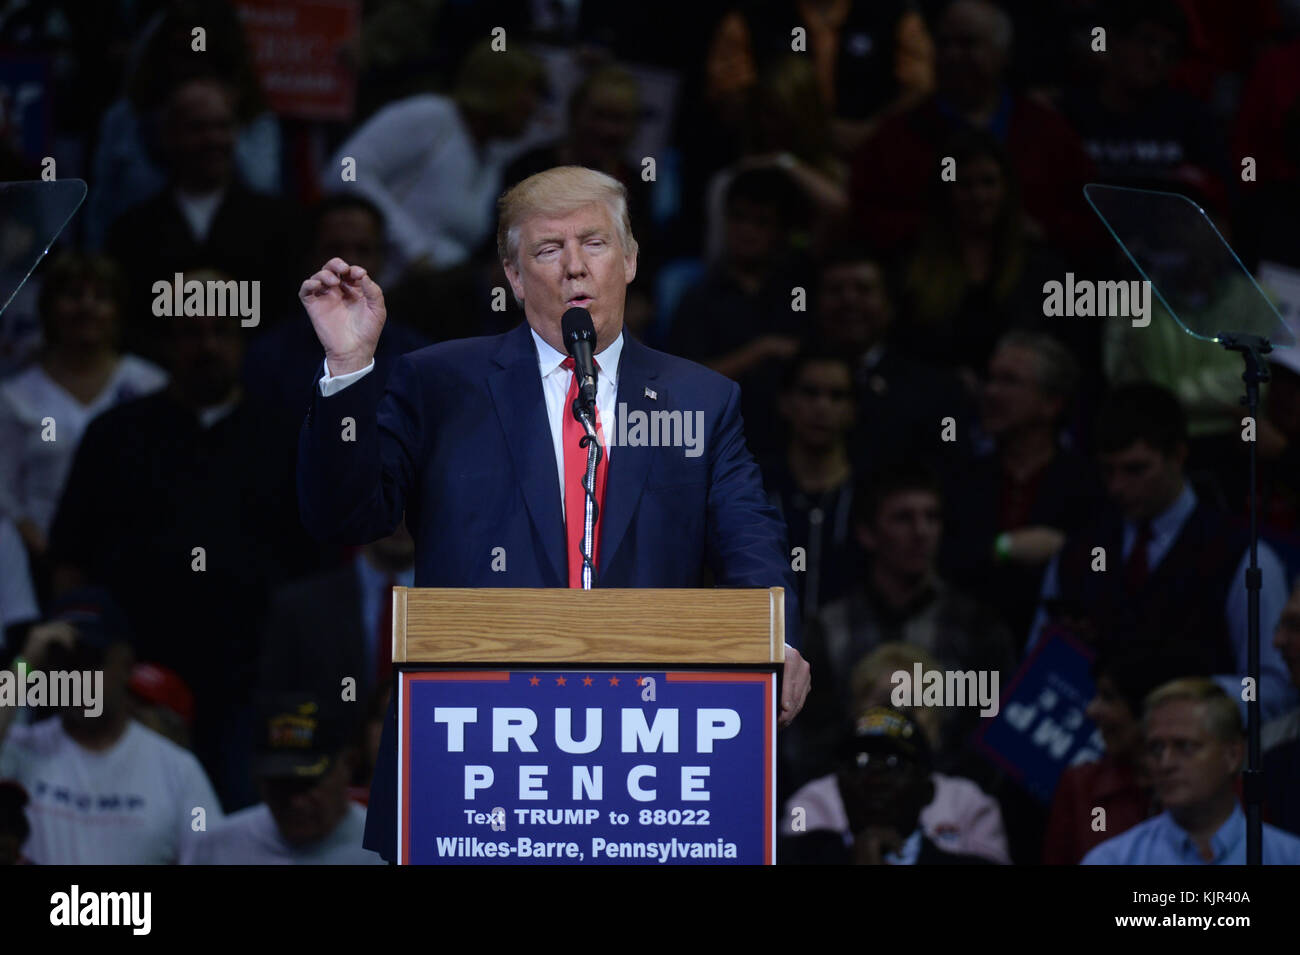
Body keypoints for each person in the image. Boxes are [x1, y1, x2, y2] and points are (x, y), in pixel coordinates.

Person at [296, 165, 809, 861]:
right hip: (478, 762)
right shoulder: (442, 383)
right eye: (546, 250)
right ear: (511, 272)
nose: (574, 267)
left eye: (594, 243)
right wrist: (350, 366)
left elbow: (752, 538)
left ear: (629, 259)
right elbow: (343, 517)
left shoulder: (700, 400)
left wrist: (770, 636)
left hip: (648, 758)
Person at [1028, 383, 1297, 721]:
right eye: (1107, 471)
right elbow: (1036, 670)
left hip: (1198, 759)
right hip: (1082, 756)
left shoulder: (1242, 558)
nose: (1118, 487)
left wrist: (1183, 702)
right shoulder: (1077, 553)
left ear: (1178, 455)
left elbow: (1275, 689)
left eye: (1136, 469)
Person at [0, 589, 222, 864]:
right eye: (65, 663)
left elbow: (213, 855)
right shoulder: (22, 748)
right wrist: (24, 664)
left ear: (127, 665)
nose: (76, 678)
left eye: (91, 662)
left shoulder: (177, 771)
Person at [0, 253, 167, 600]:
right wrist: (47, 552)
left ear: (118, 309)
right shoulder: (14, 397)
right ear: (49, 308)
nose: (87, 307)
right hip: (38, 566)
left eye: (101, 296)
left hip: (138, 562)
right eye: (74, 295)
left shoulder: (151, 384)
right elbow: (6, 493)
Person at [782, 644, 1011, 863]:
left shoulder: (971, 805)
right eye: (885, 701)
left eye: (912, 703)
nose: (895, 715)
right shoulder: (811, 803)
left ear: (938, 715)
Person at [1083, 678, 1300, 864]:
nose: (1165, 763)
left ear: (1233, 756)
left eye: (1185, 746)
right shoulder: (1112, 860)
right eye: (1156, 748)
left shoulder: (1288, 858)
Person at [1043, 640, 1204, 864]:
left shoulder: (1218, 792)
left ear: (1150, 711)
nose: (1091, 711)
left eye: (1108, 698)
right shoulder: (1081, 788)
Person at [184, 692, 383, 865]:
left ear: (349, 764)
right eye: (281, 785)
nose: (296, 802)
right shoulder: (216, 849)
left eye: (308, 785)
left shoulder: (388, 851)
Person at [779, 707, 994, 864]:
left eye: (895, 764)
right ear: (838, 784)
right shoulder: (787, 857)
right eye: (859, 762)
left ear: (928, 791)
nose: (875, 779)